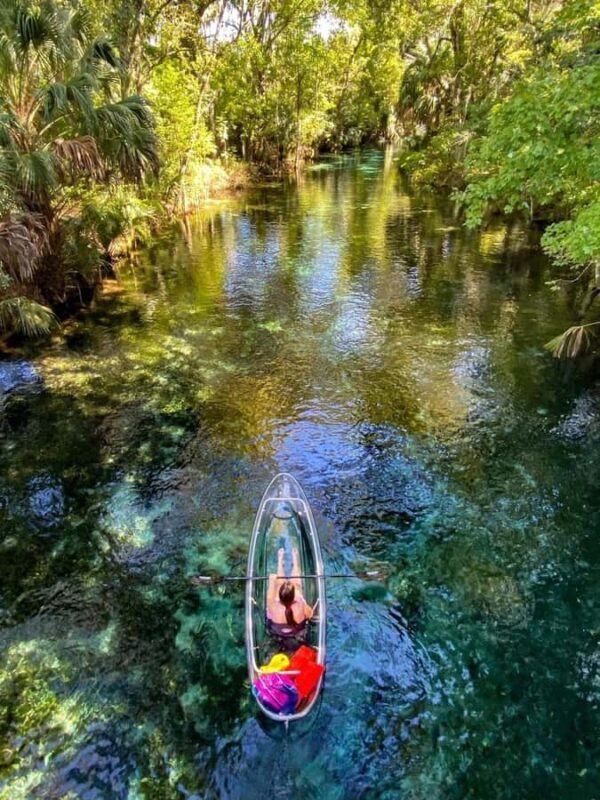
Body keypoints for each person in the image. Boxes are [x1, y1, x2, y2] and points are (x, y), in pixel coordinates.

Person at [267, 546, 313, 640]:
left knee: (279, 584)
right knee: (296, 585)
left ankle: (280, 563)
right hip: (296, 633)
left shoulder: (273, 606)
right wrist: (298, 594)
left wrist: (272, 581)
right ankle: (295, 564)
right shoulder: (300, 605)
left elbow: (269, 596)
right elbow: (310, 614)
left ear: (280, 598)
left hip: (278, 633)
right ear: (293, 598)